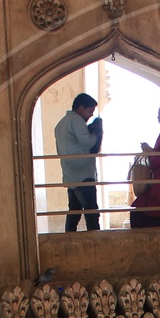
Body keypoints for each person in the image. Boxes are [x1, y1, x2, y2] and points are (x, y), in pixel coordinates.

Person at [53, 92, 103, 231]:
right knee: (91, 212)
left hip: (70, 174)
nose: (91, 115)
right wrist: (97, 132)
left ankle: (69, 240)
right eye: (90, 111)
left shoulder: (61, 124)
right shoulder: (76, 121)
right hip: (83, 175)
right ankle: (96, 243)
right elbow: (87, 143)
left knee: (74, 212)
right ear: (81, 108)